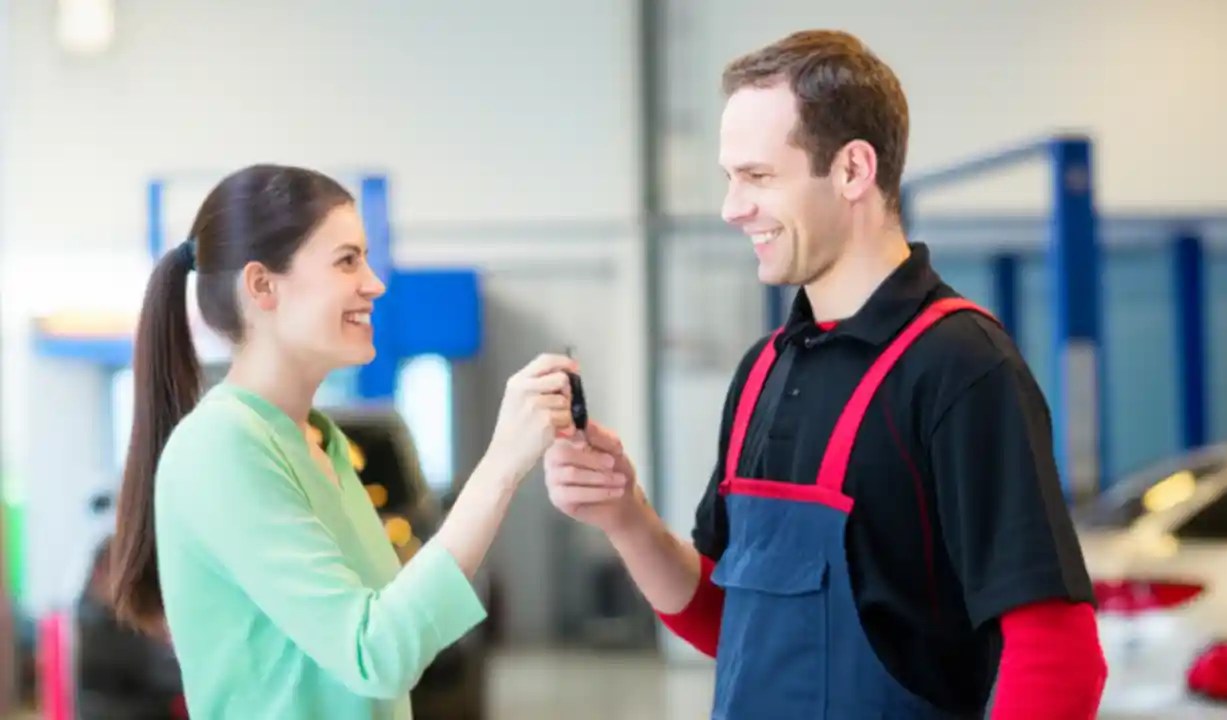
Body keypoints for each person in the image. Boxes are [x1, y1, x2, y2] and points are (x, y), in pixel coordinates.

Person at [544, 30, 1108, 719]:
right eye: (730, 179)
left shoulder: (961, 366)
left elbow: (1056, 655)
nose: (731, 208)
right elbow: (734, 624)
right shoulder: (762, 372)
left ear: (852, 170)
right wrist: (623, 517)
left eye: (758, 177)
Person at [108, 164, 594, 719]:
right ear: (262, 285)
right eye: (347, 260)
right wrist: (502, 464)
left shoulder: (323, 441)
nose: (374, 282)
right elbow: (374, 653)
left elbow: (391, 640)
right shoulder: (222, 446)